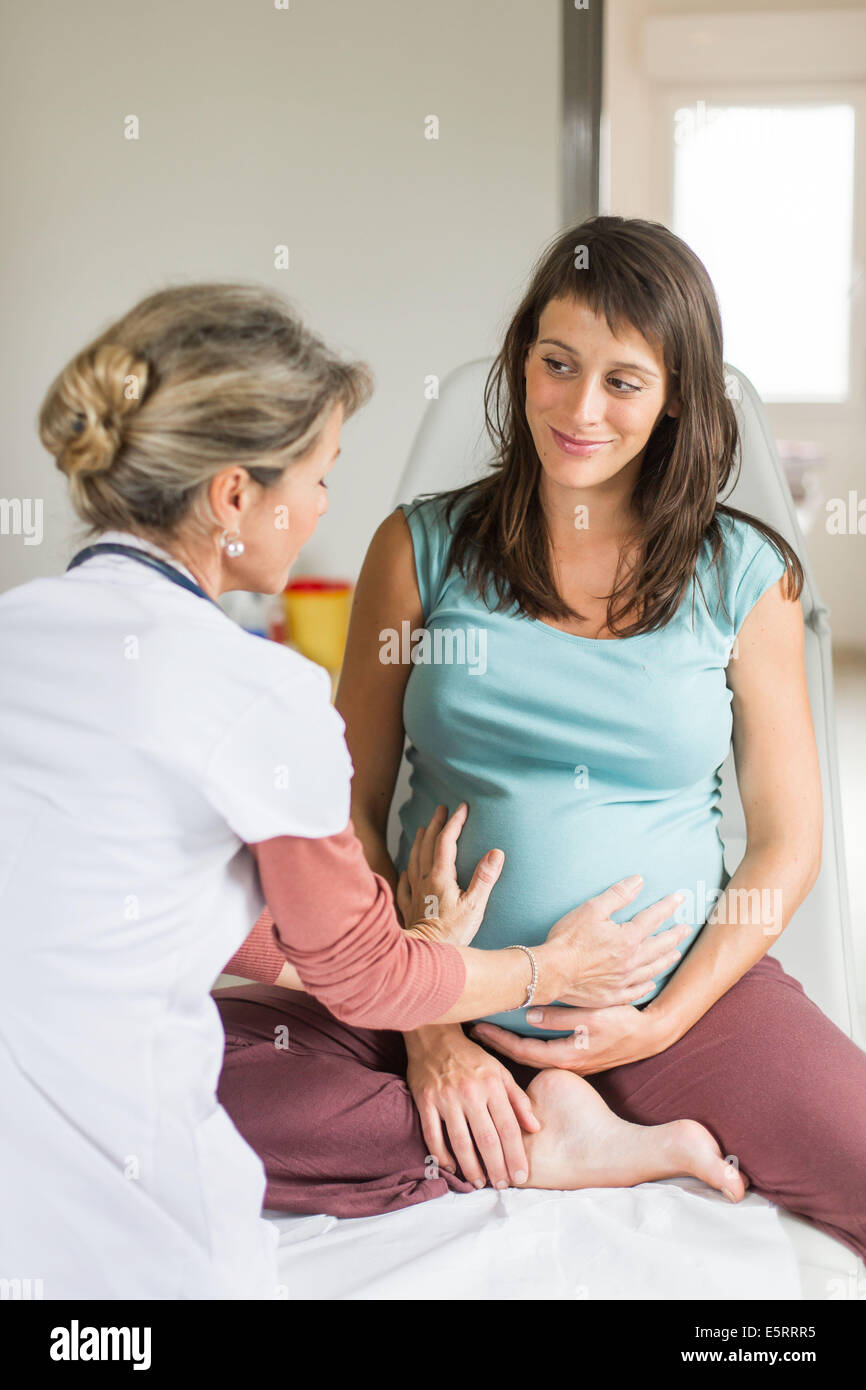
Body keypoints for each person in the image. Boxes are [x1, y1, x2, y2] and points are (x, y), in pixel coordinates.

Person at [0, 280, 698, 1300]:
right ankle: (526, 1141)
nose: (326, 506)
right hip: (123, 1211)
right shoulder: (258, 689)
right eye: (320, 477)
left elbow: (123, 893)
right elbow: (365, 980)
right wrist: (545, 966)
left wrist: (402, 958)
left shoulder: (18, 627)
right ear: (235, 496)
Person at [216, 219, 865, 1265]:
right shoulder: (420, 547)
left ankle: (542, 1117)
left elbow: (785, 844)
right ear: (521, 359)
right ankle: (550, 1142)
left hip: (669, 999)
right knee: (158, 1085)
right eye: (555, 365)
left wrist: (656, 1026)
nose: (577, 408)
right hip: (438, 982)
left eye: (622, 381)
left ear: (676, 399)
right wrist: (425, 1023)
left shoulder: (747, 575)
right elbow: (342, 805)